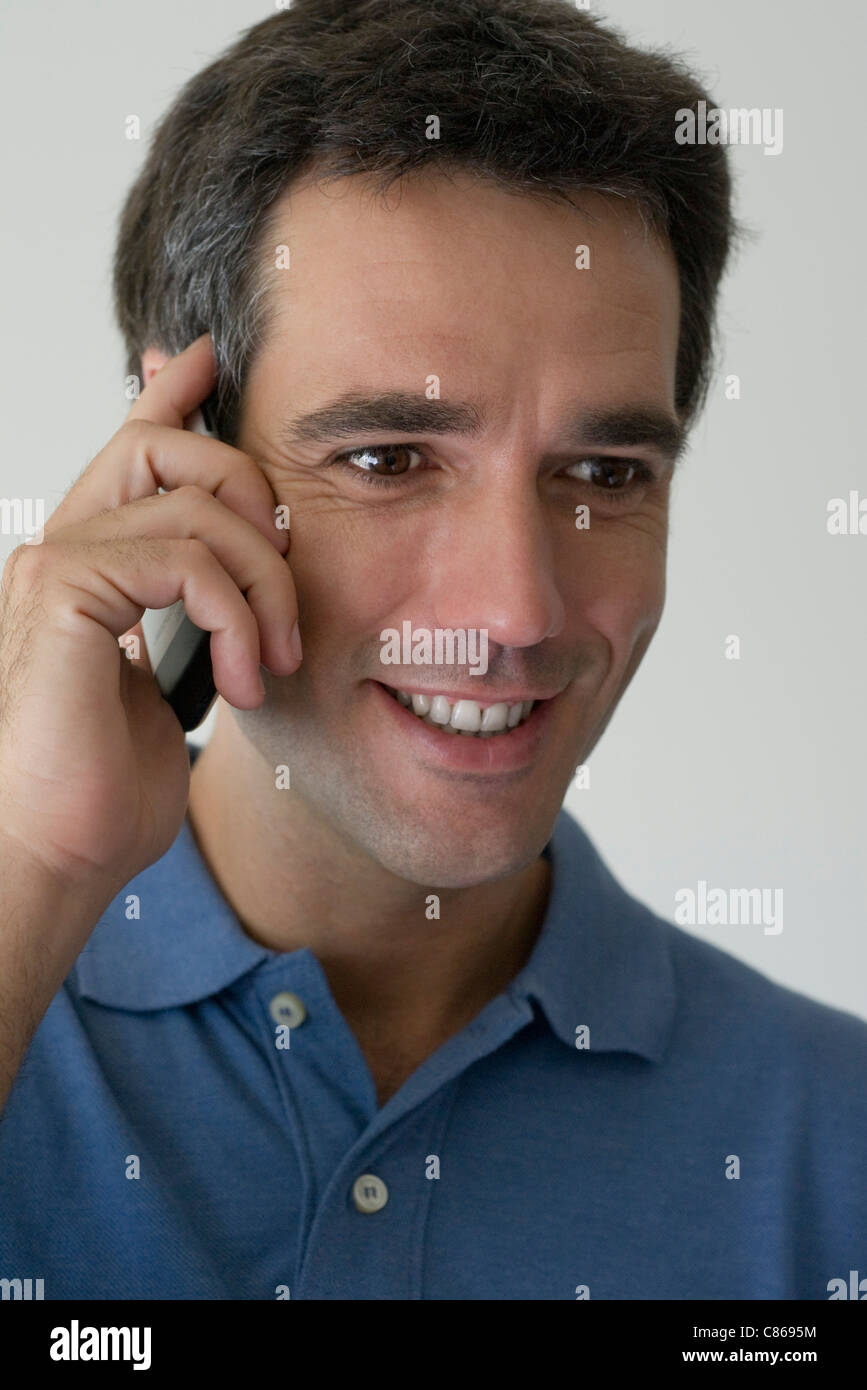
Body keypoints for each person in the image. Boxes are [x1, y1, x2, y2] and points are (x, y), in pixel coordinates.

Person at [0, 0, 864, 1301]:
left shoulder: (834, 1139)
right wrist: (33, 863)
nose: (517, 611)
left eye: (601, 471)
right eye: (388, 459)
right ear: (176, 463)